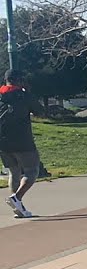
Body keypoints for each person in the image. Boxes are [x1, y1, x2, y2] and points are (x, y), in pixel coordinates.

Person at [0, 69, 40, 218]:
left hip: (3, 142)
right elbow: (40, 111)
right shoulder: (23, 96)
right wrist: (28, 92)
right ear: (18, 80)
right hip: (22, 141)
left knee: (14, 172)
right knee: (32, 170)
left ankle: (19, 208)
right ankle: (17, 198)